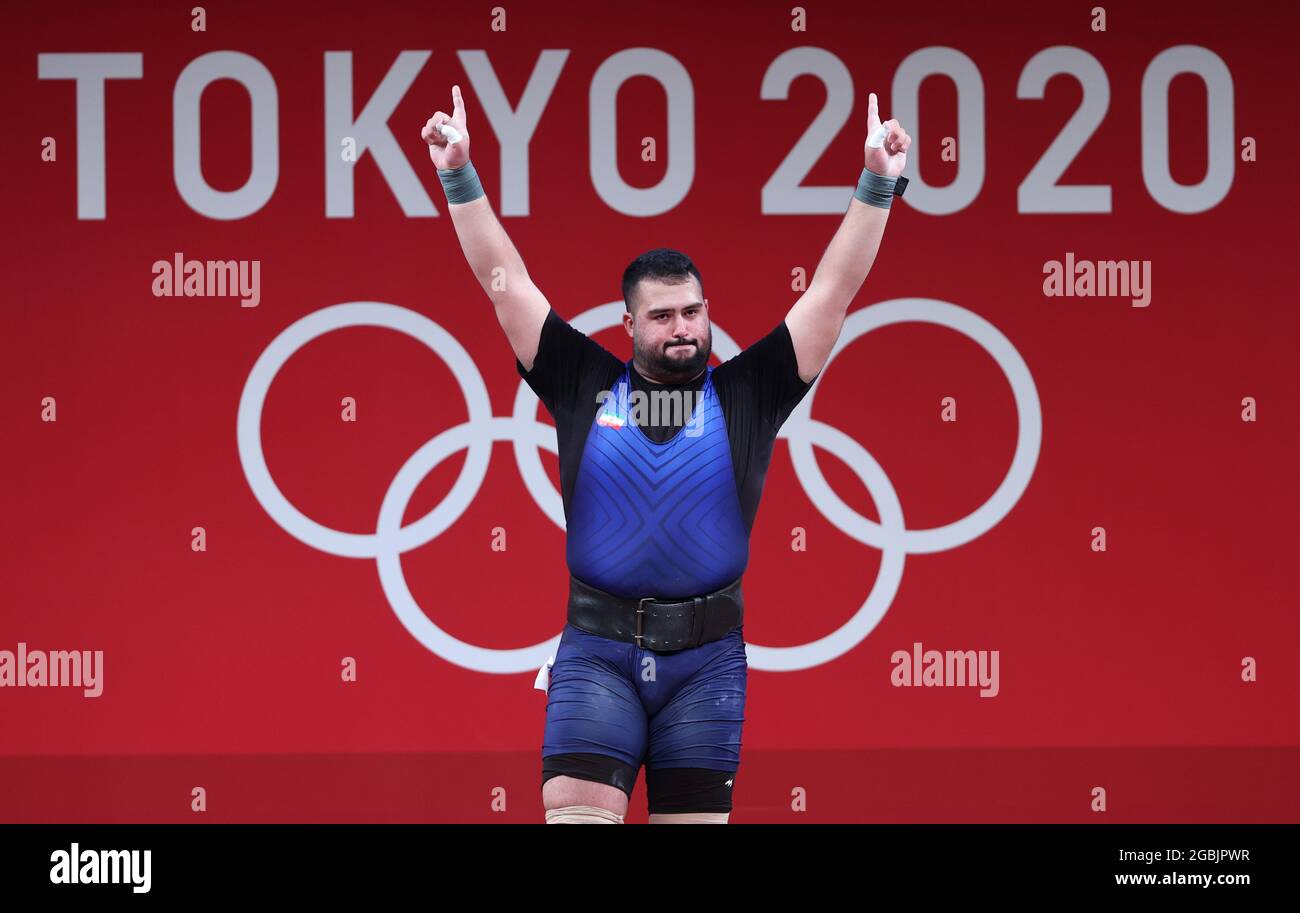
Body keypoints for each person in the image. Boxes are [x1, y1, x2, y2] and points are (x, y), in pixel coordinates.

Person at [422, 85, 910, 823]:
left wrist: (877, 182)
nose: (681, 327)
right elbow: (506, 285)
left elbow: (834, 291)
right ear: (628, 323)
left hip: (708, 665)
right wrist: (459, 174)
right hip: (596, 654)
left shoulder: (752, 390)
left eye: (693, 310)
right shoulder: (580, 377)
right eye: (662, 315)